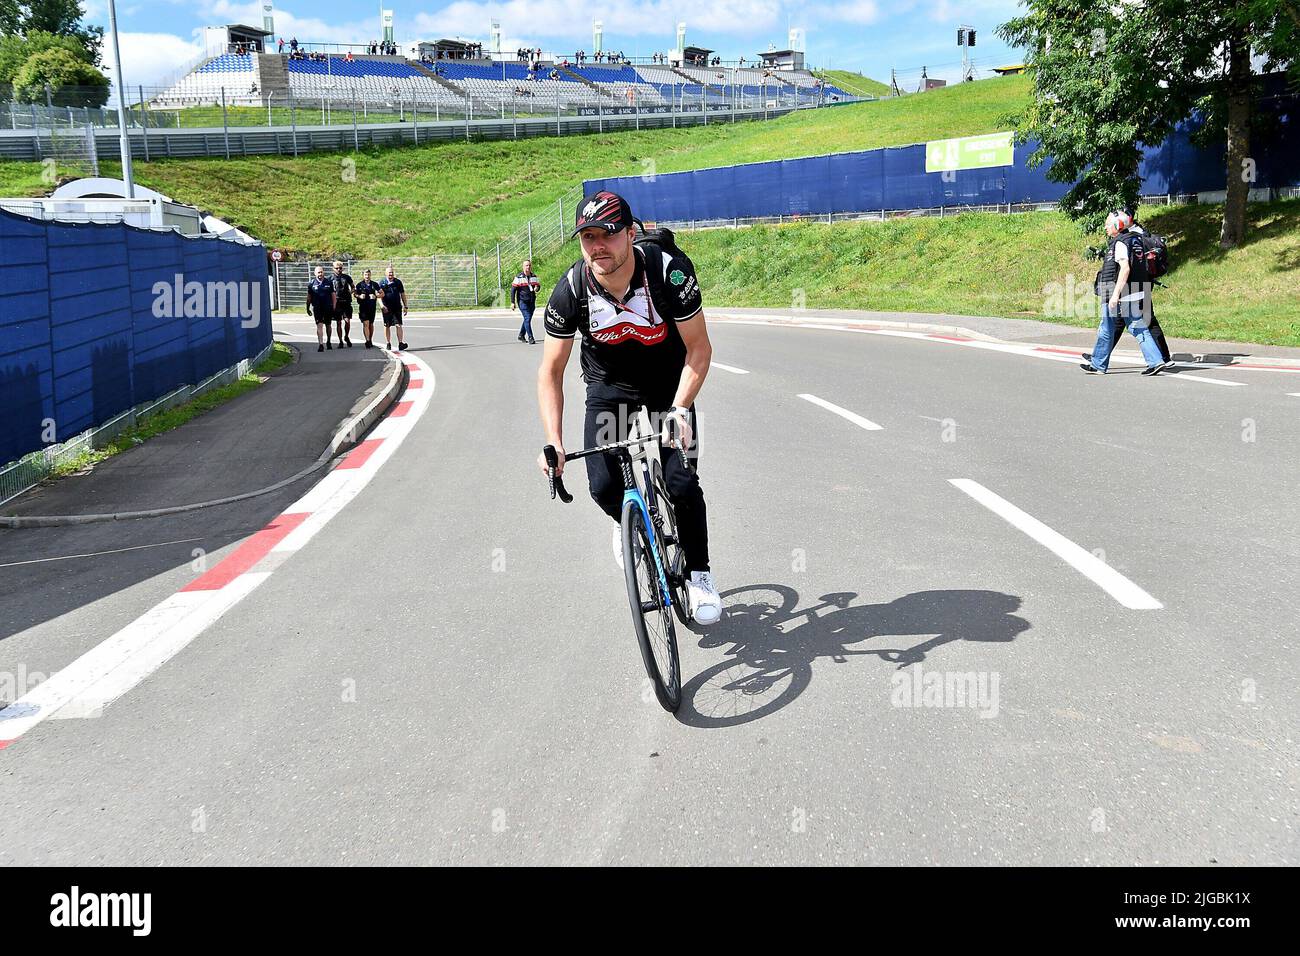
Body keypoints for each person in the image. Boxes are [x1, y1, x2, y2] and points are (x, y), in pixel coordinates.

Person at [535, 190, 722, 625]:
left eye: (608, 234)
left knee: (681, 481)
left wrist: (679, 409)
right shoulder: (571, 290)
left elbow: (699, 350)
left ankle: (700, 575)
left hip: (668, 384)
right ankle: (626, 520)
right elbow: (550, 372)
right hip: (610, 386)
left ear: (631, 233)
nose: (598, 245)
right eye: (588, 237)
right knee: (602, 487)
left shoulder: (667, 272)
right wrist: (553, 442)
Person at [1083, 206, 1173, 369]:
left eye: (1108, 224)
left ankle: (1098, 362)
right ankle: (1158, 360)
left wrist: (1115, 294)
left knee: (1113, 327)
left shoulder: (1124, 241)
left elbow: (1125, 268)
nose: (1105, 227)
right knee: (1137, 326)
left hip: (1123, 290)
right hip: (1135, 289)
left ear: (1118, 225)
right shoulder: (1136, 237)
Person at [306, 265, 337, 351]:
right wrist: (307, 307)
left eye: (321, 272)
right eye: (318, 272)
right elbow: (309, 297)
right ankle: (320, 344)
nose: (320, 274)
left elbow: (333, 295)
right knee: (319, 325)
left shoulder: (329, 282)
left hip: (328, 307)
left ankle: (329, 341)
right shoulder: (311, 283)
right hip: (317, 308)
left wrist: (334, 306)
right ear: (315, 273)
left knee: (328, 325)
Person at [379, 266, 409, 351]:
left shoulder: (398, 282)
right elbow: (378, 296)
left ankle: (400, 343)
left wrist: (405, 306)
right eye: (389, 273)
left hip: (397, 307)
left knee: (398, 324)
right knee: (387, 325)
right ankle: (388, 343)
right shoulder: (382, 282)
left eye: (392, 272)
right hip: (386, 307)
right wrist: (382, 305)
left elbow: (402, 294)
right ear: (386, 274)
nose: (391, 274)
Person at [511, 260, 541, 344]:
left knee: (527, 319)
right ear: (523, 267)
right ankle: (530, 337)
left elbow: (538, 286)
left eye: (529, 265)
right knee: (527, 318)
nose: (528, 267)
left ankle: (521, 335)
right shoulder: (519, 277)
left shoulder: (534, 276)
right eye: (526, 265)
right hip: (522, 301)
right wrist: (512, 302)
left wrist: (537, 288)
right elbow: (513, 290)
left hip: (531, 301)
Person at [331, 260, 356, 347]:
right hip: (337, 303)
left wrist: (350, 292)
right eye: (337, 268)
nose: (338, 270)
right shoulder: (330, 278)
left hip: (346, 302)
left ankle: (346, 336)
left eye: (340, 268)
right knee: (338, 322)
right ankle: (340, 340)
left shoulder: (347, 277)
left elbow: (353, 287)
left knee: (347, 321)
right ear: (333, 269)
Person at [355, 268, 381, 348]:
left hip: (372, 307)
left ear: (370, 275)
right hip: (363, 307)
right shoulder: (359, 285)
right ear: (363, 275)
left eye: (368, 274)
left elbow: (382, 293)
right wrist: (359, 296)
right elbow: (355, 294)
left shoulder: (374, 284)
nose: (367, 276)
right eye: (366, 275)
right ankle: (367, 340)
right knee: (365, 323)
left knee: (371, 324)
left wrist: (376, 296)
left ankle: (370, 339)